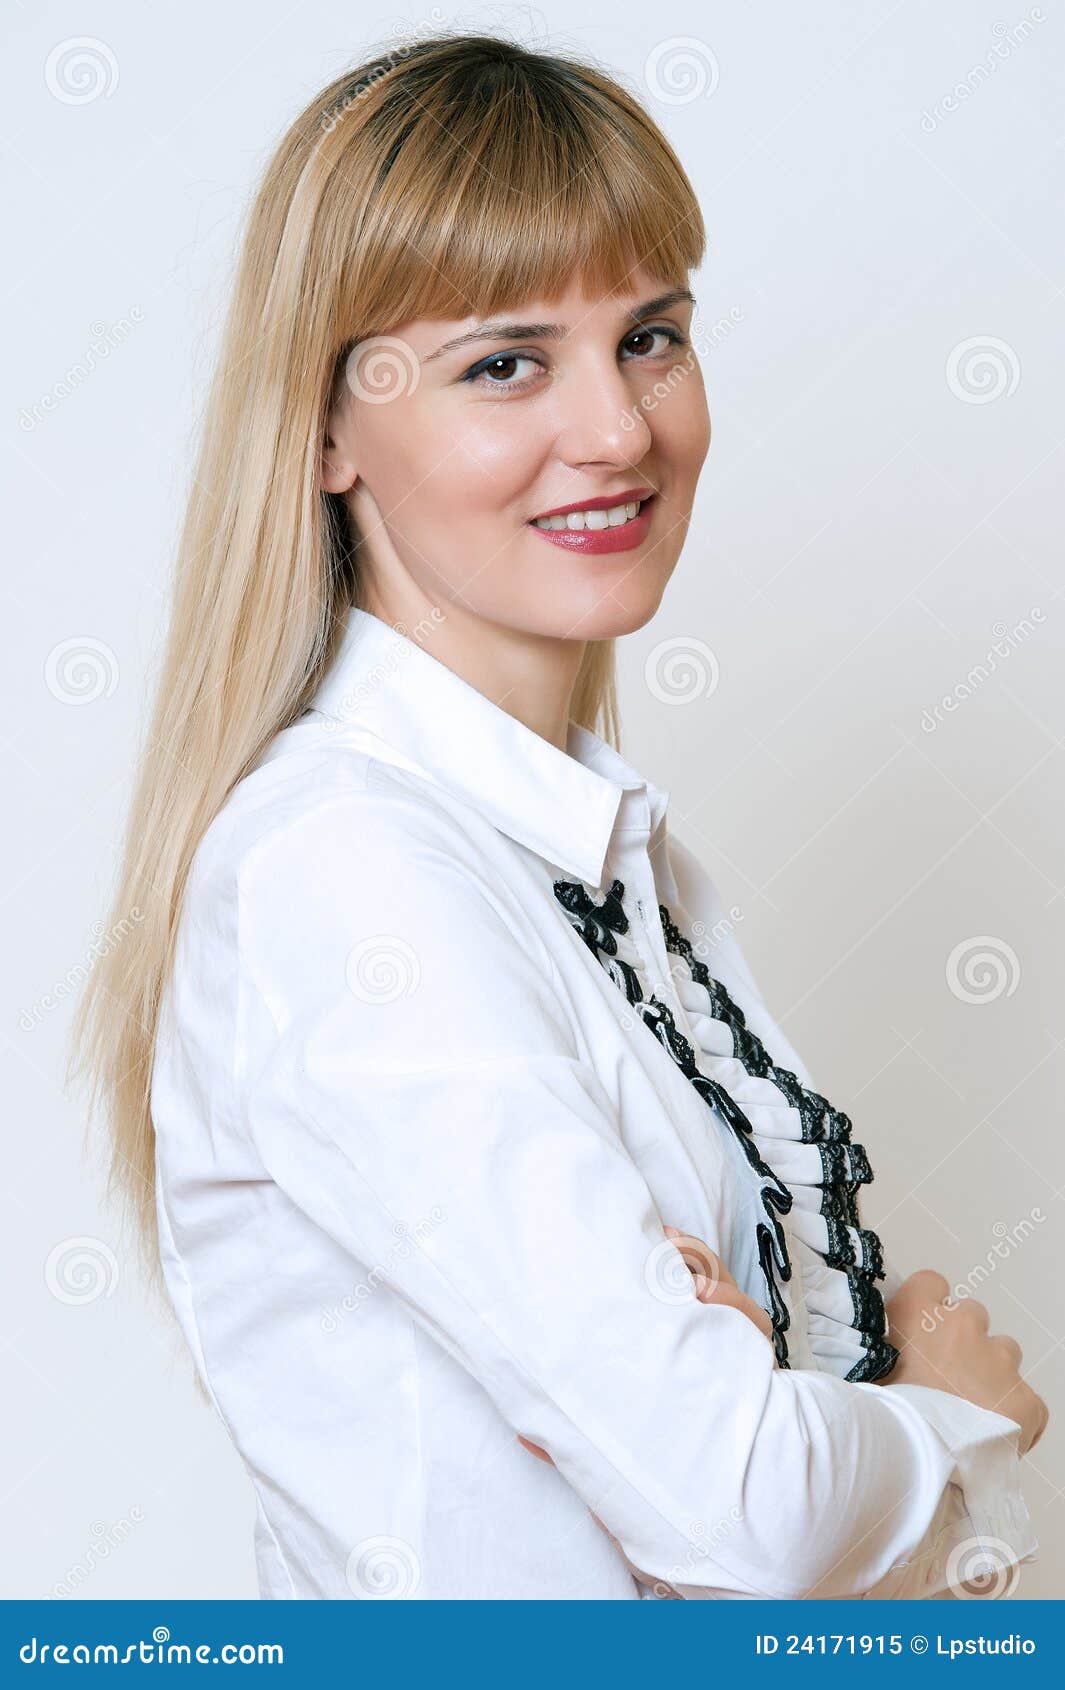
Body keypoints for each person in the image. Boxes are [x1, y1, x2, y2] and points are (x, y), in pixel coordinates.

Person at [70, 32, 1046, 1601]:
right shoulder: (347, 863)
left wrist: (786, 1403)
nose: (617, 430)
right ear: (324, 429)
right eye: (503, 363)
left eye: (649, 337)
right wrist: (944, 1417)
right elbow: (746, 1512)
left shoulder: (616, 866)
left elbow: (739, 1501)